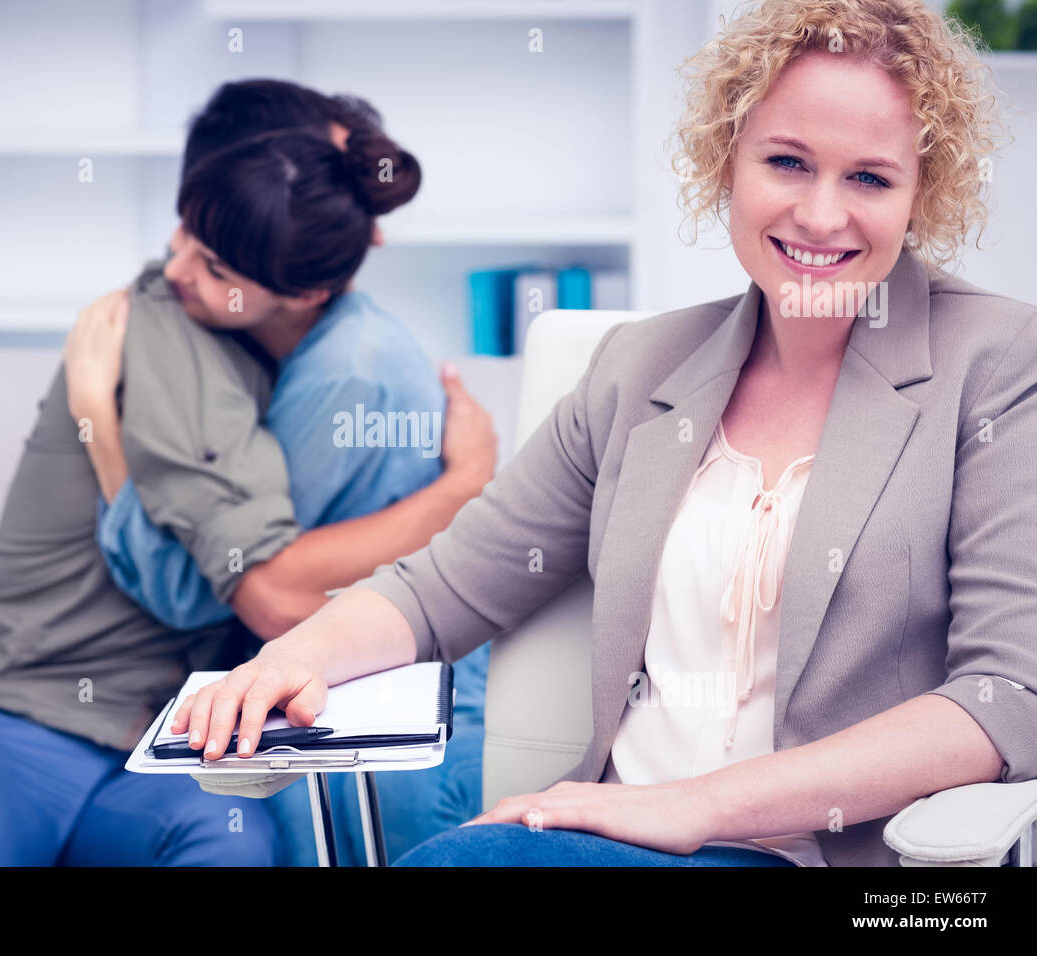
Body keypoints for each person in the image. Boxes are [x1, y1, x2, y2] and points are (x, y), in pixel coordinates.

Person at [170, 0, 1037, 868]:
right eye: (787, 161)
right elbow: (445, 589)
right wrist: (281, 662)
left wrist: (691, 808)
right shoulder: (639, 367)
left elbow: (1009, 699)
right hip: (616, 843)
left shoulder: (998, 363)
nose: (818, 215)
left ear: (924, 192)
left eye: (869, 179)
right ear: (726, 161)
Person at [0, 79, 494, 866]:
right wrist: (463, 491)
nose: (174, 265)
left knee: (233, 846)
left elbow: (269, 591)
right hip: (23, 712)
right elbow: (262, 593)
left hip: (173, 732)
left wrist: (463, 494)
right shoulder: (178, 328)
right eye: (187, 236)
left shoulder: (326, 359)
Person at [70, 80, 496, 865]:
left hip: (380, 731)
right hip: (351, 697)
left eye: (211, 259)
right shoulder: (285, 343)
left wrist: (99, 421)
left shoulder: (346, 373)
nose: (173, 267)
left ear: (300, 285)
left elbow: (238, 590)